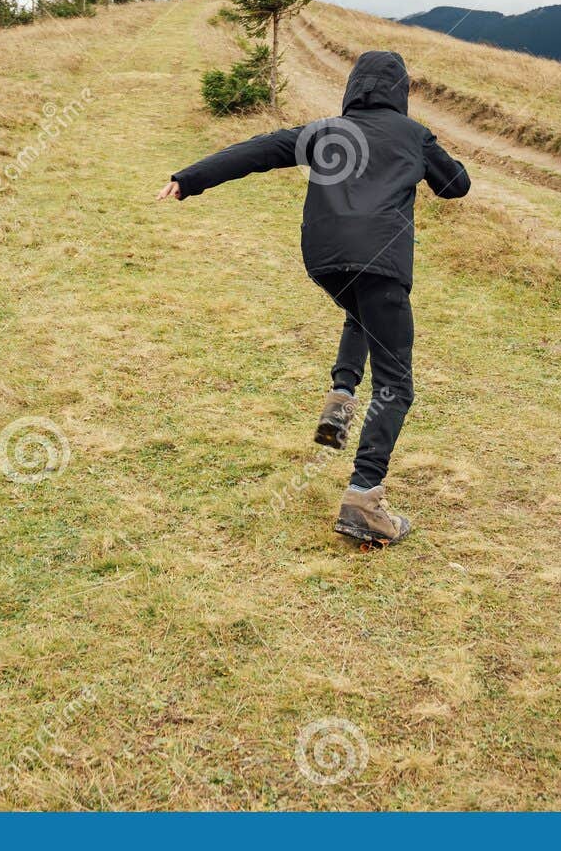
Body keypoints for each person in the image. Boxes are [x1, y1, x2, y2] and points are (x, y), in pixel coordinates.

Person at [157, 51, 469, 547]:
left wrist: (189, 179)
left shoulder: (327, 131)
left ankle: (339, 403)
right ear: (400, 92)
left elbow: (257, 151)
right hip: (382, 263)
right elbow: (456, 186)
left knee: (360, 316)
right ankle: (364, 497)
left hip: (324, 259)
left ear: (352, 88)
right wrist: (426, 150)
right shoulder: (413, 136)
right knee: (396, 383)